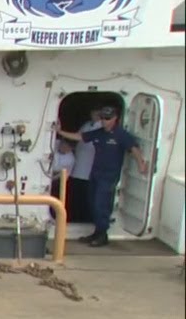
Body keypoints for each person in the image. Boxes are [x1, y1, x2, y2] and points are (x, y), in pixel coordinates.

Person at [55, 105, 149, 247]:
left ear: (115, 119)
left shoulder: (120, 134)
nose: (104, 121)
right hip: (95, 173)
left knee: (101, 205)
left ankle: (102, 235)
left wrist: (141, 164)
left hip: (109, 176)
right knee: (92, 203)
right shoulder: (98, 132)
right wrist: (60, 131)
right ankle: (97, 232)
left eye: (107, 118)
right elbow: (80, 137)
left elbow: (134, 148)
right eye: (102, 118)